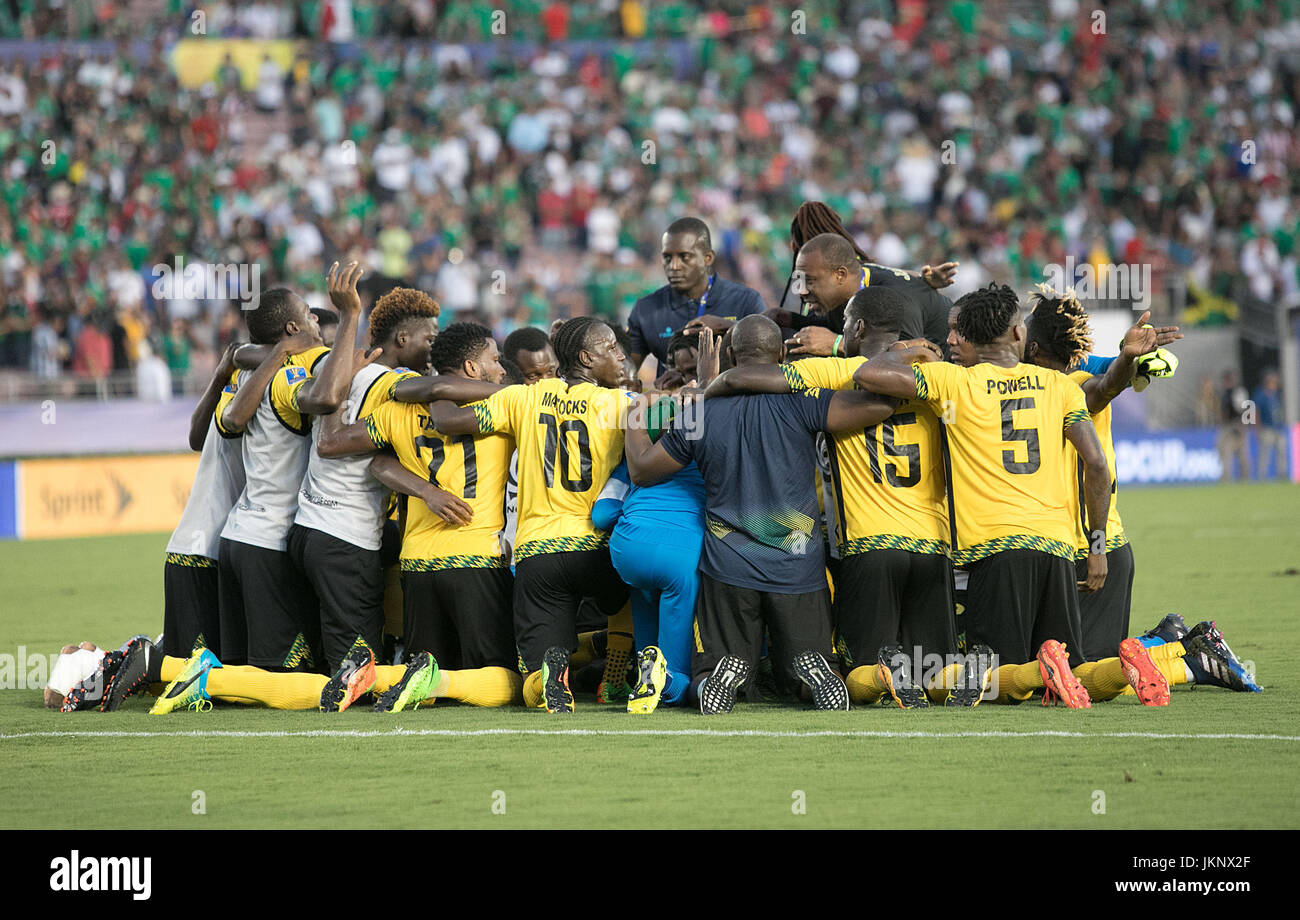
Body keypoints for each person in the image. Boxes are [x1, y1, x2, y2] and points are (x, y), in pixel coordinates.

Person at [852, 283, 1161, 707]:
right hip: (1056, 549)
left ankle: (1037, 668)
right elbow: (1096, 464)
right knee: (1071, 670)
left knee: (992, 683)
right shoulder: (1059, 386)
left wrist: (914, 349)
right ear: (1016, 335)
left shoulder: (953, 383)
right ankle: (1125, 663)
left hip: (998, 553)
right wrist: (1097, 545)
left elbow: (867, 373)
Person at [705, 288, 976, 708]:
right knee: (935, 668)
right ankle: (964, 675)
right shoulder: (937, 375)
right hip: (933, 540)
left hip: (868, 542)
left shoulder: (834, 371)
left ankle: (887, 675)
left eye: (845, 324)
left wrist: (713, 383)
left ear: (860, 327)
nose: (841, 332)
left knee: (857, 669)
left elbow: (751, 378)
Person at [625, 315, 898, 715]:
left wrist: (634, 412)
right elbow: (880, 404)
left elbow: (642, 471)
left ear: (730, 356)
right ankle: (816, 675)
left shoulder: (702, 413)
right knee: (805, 672)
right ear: (783, 353)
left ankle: (717, 679)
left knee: (709, 671)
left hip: (728, 566)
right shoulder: (804, 402)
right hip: (797, 563)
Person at [429, 316, 636, 713]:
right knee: (640, 585)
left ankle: (549, 673)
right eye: (610, 347)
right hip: (599, 549)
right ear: (586, 358)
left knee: (532, 679)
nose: (620, 354)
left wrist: (432, 383)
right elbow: (682, 431)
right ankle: (618, 672)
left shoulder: (524, 397)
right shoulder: (620, 404)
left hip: (537, 552)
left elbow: (449, 421)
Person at [316, 322, 522, 710]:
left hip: (418, 564)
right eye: (494, 360)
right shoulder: (503, 403)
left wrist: (338, 389)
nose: (500, 367)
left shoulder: (399, 408)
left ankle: (374, 673)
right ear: (472, 369)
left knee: (422, 679)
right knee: (502, 677)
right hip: (477, 556)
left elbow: (334, 445)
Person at [214, 266, 364, 672]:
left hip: (238, 535)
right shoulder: (290, 374)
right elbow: (327, 396)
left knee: (249, 669)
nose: (318, 318)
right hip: (269, 541)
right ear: (294, 327)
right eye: (310, 315)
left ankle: (188, 672)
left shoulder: (247, 371)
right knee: (285, 677)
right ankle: (167, 669)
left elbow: (229, 414)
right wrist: (350, 316)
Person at [285, 284, 434, 689]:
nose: (432, 349)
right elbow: (333, 443)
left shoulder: (336, 368)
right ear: (402, 339)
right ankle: (216, 680)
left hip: (307, 528)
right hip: (344, 539)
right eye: (430, 339)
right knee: (354, 675)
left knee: (321, 661)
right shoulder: (390, 383)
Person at [1024, 287, 1181, 661]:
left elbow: (1107, 384)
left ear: (1032, 350)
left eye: (1022, 332)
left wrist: (1127, 359)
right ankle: (1165, 639)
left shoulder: (1075, 389)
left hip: (1096, 550)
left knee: (1088, 673)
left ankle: (1184, 653)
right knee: (1052, 668)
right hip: (1060, 549)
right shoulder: (1029, 391)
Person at [626, 217, 764, 378]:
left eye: (684, 257)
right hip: (674, 401)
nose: (674, 266)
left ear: (708, 258)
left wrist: (731, 326)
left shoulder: (745, 300)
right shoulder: (647, 309)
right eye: (667, 258)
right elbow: (623, 376)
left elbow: (767, 357)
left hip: (730, 401)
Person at [1253, 369, 1287, 480]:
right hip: (1266, 428)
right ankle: (1261, 475)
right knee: (1264, 452)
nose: (1275, 384)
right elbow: (1256, 412)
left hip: (1278, 428)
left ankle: (1282, 474)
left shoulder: (1276, 394)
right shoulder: (1261, 395)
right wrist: (1257, 427)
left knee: (1281, 451)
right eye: (1273, 381)